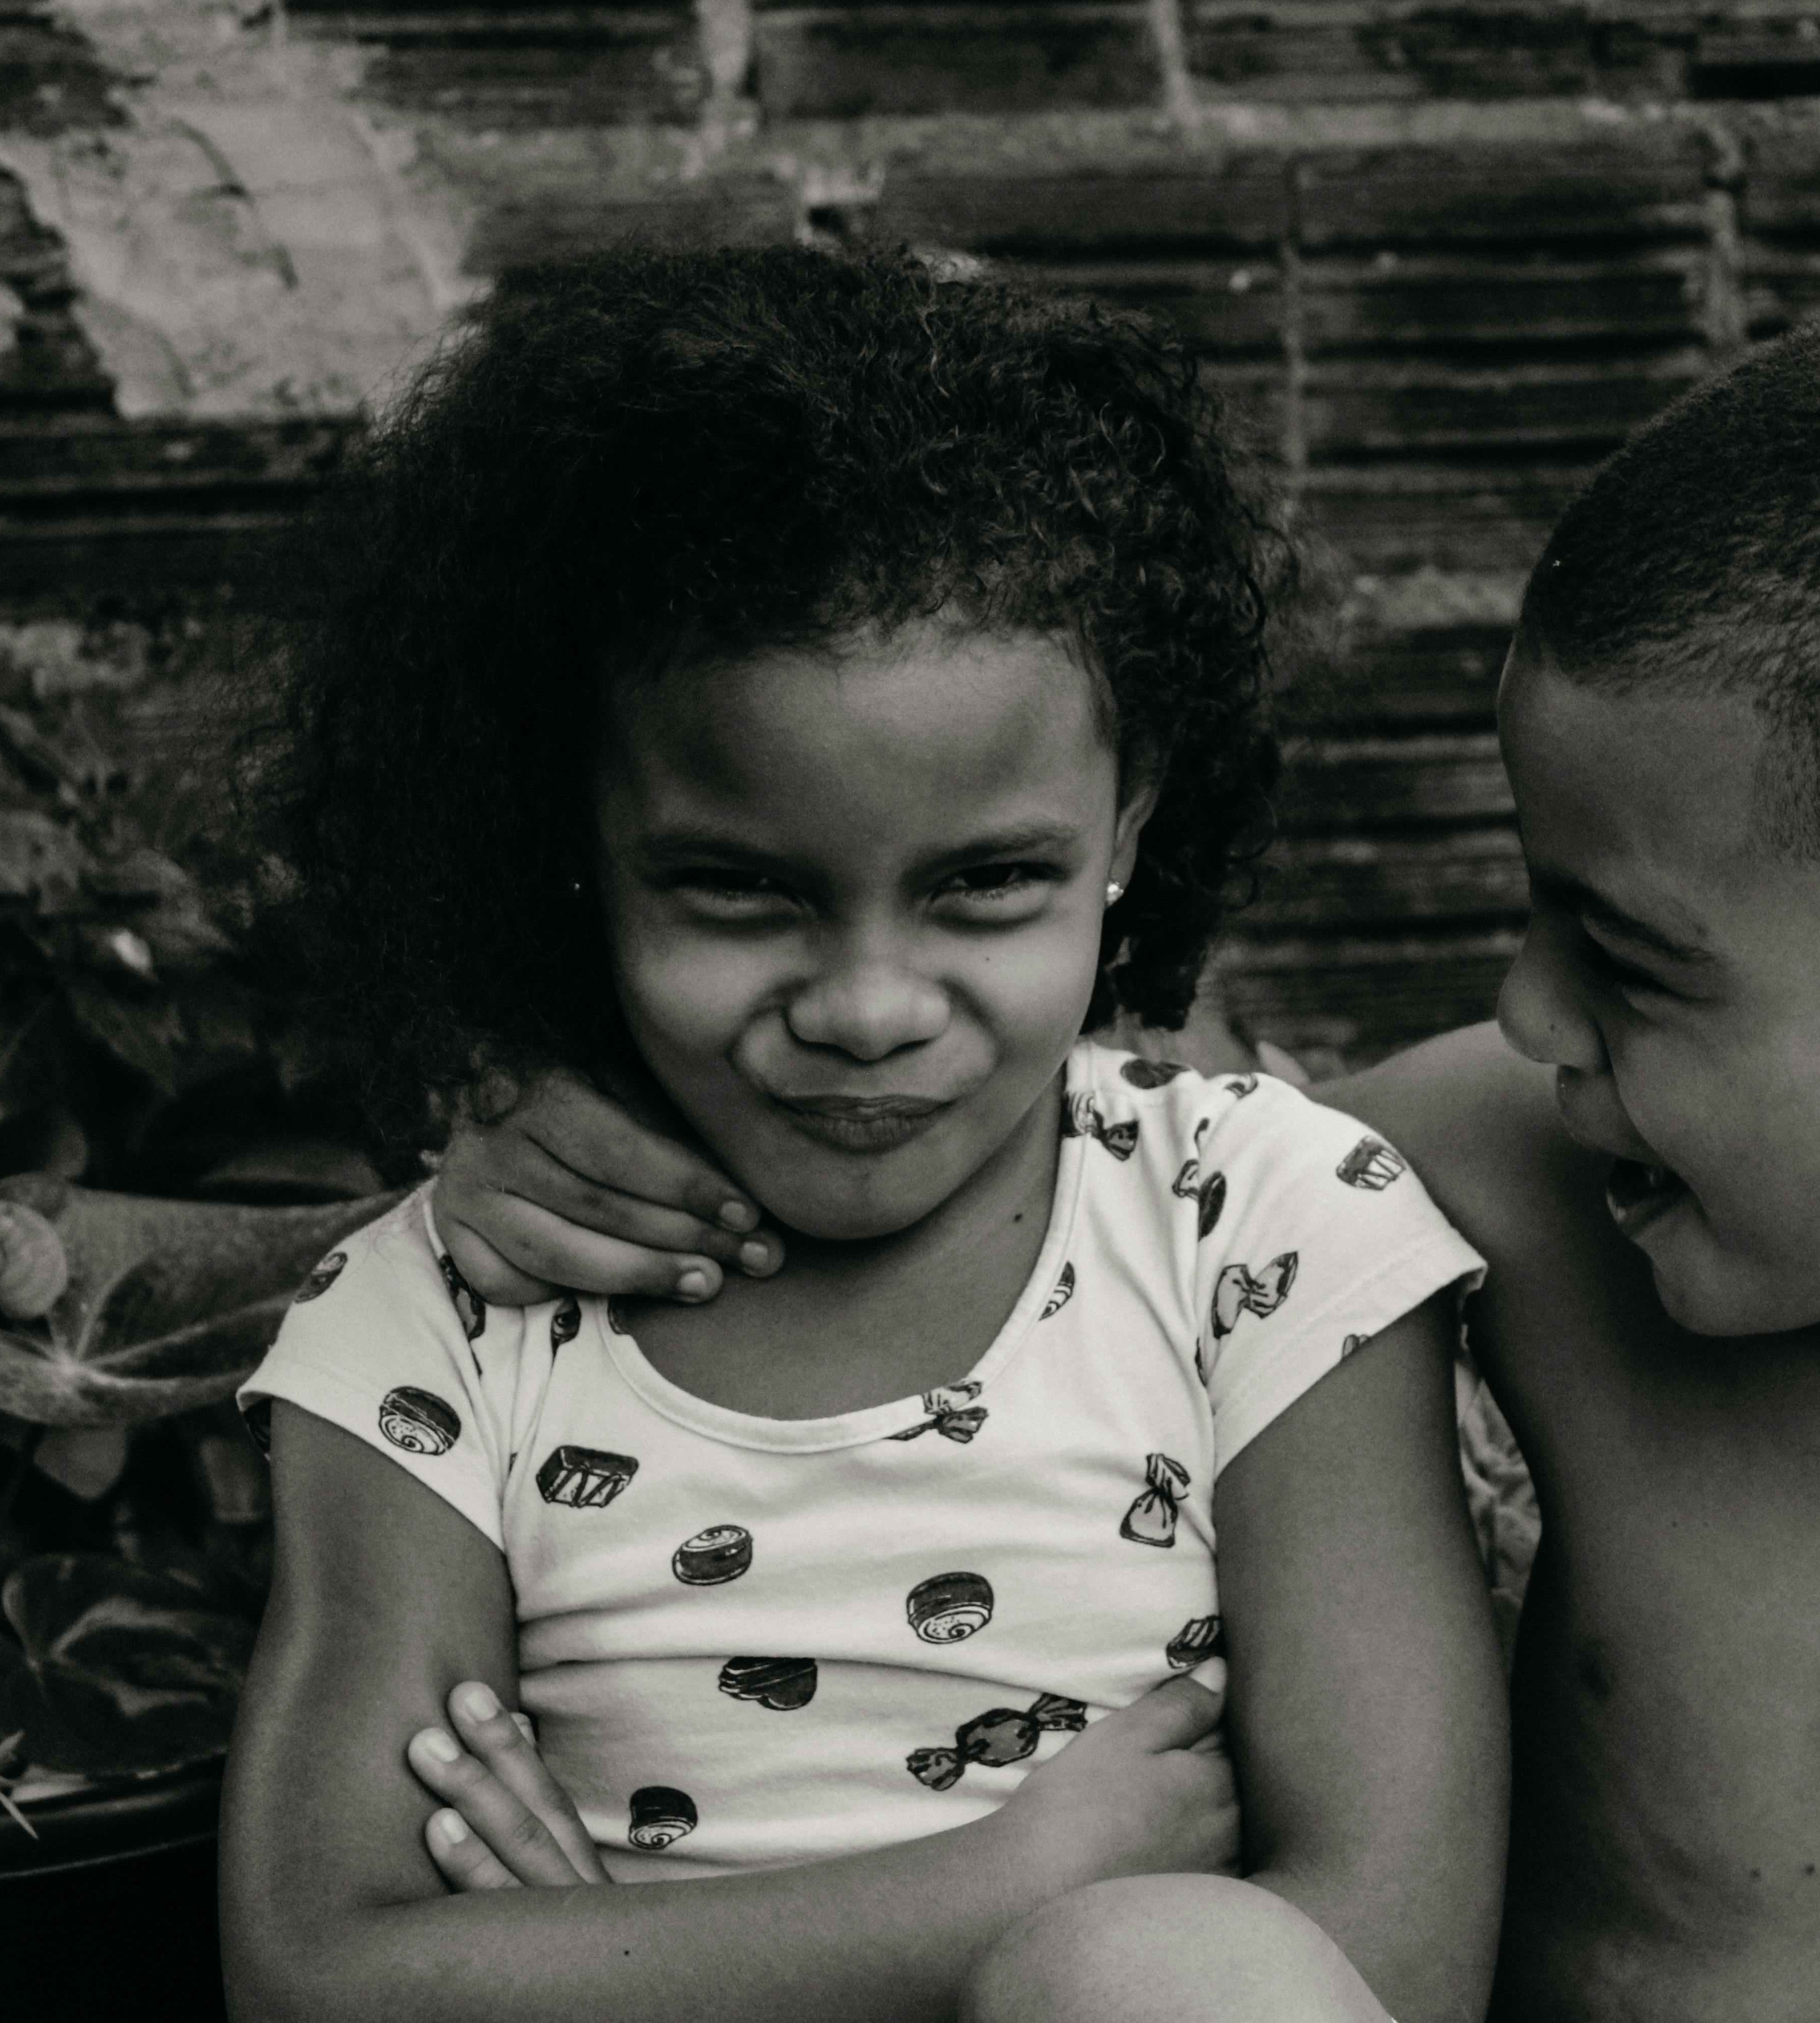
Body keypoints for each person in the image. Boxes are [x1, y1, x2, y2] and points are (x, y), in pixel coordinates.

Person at [425, 277, 1820, 2021]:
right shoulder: (1498, 1182)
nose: (1517, 1012)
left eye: (1625, 956)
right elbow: (988, 1138)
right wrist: (577, 1135)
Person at [217, 242, 1505, 2023]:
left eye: (988, 882)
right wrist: (1003, 1885)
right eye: (741, 890)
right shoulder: (444, 1321)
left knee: (1164, 1970)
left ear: (1126, 828)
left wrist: (598, 1976)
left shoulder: (1256, 1235)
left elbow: (1388, 1959)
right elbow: (321, 1978)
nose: (870, 1005)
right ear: (575, 845)